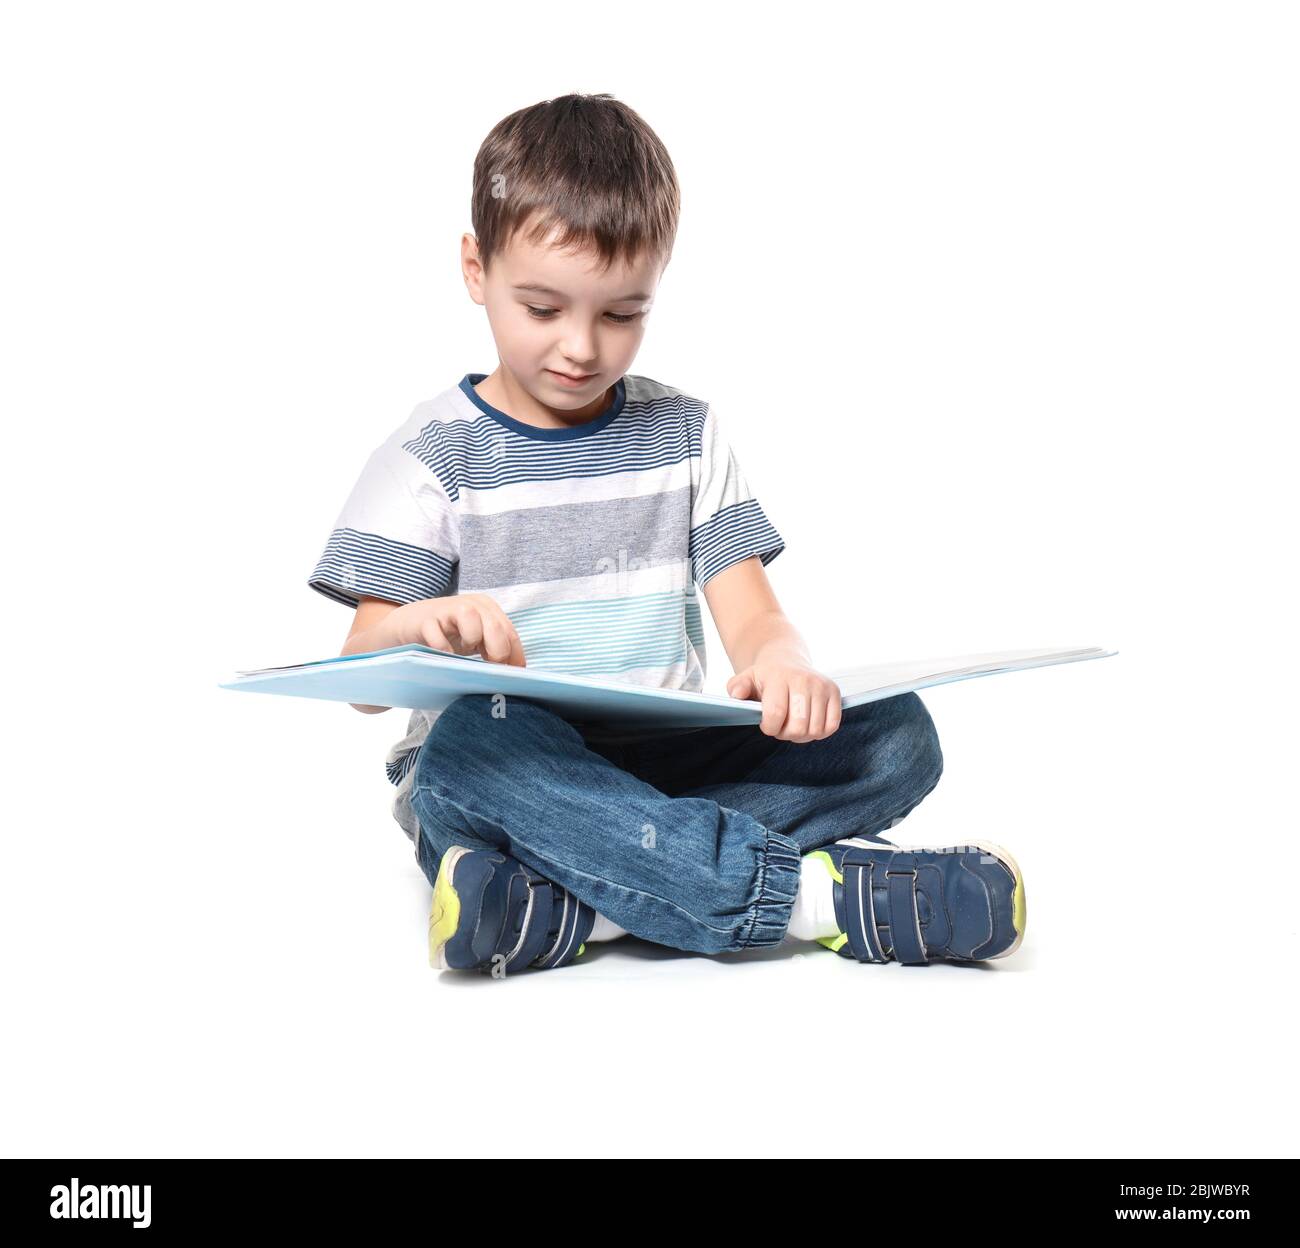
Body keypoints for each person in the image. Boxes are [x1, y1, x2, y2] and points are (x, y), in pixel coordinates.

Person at [308, 93, 1025, 975]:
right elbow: (362, 676)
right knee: (464, 754)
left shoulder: (684, 435)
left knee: (895, 734)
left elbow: (754, 618)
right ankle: (817, 899)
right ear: (474, 267)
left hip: (663, 768)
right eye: (542, 309)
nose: (580, 347)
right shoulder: (428, 456)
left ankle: (576, 907)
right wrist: (421, 627)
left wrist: (784, 663)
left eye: (621, 315)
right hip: (519, 762)